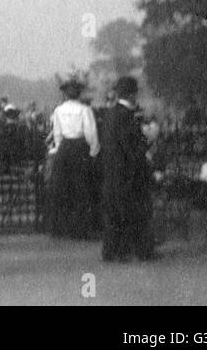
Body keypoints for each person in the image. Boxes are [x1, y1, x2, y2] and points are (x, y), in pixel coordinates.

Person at [100, 76, 156, 262]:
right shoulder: (126, 116)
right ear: (132, 94)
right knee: (132, 211)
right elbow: (130, 145)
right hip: (126, 171)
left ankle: (112, 251)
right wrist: (145, 150)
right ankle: (135, 251)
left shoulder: (111, 114)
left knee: (114, 213)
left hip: (112, 170)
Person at [46, 77, 100, 239]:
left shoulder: (59, 110)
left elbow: (57, 133)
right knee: (81, 189)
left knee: (63, 189)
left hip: (65, 148)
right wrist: (93, 152)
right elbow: (91, 132)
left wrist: (59, 149)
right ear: (79, 93)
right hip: (79, 147)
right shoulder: (84, 110)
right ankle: (80, 229)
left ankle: (63, 228)